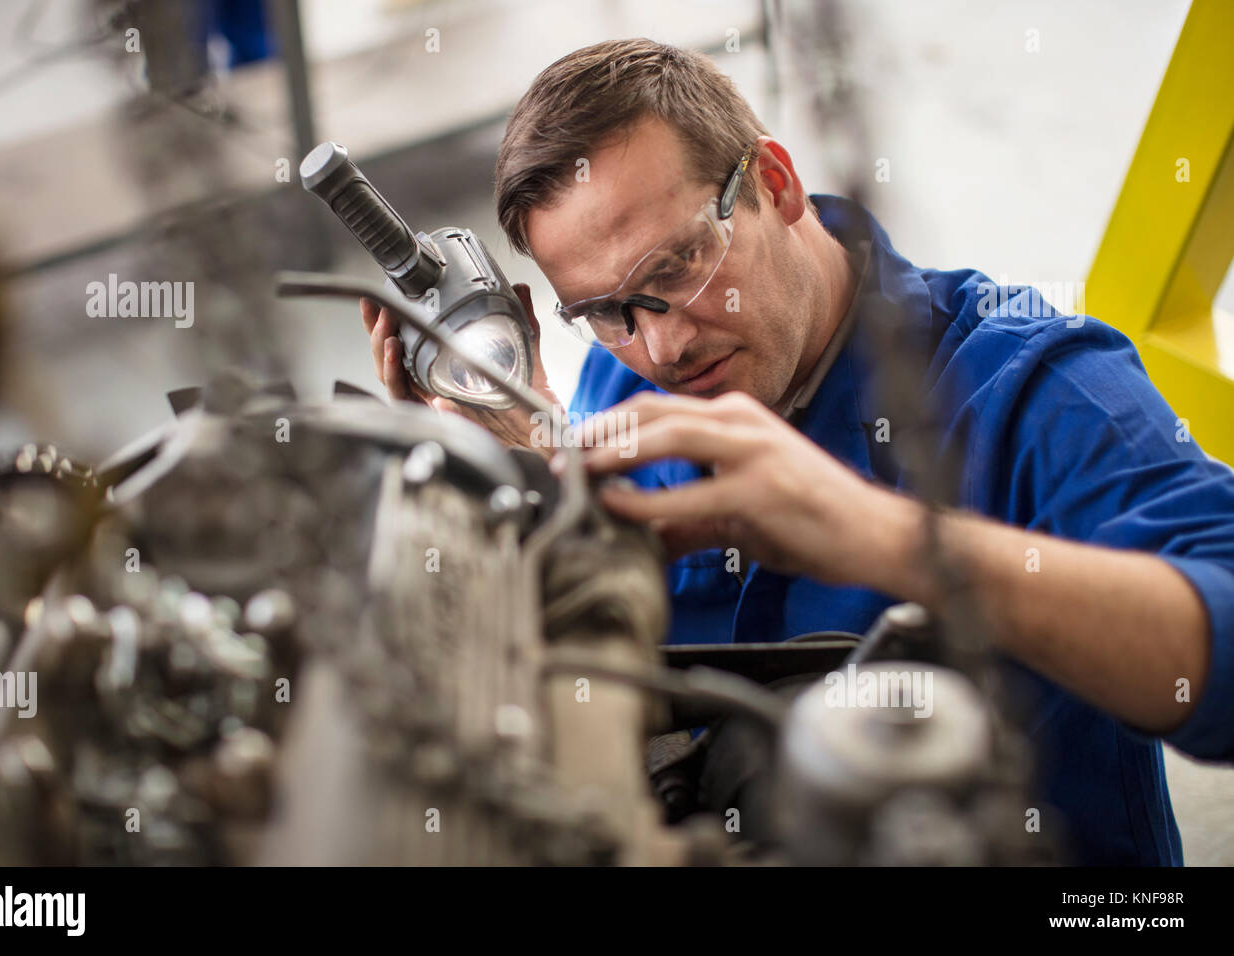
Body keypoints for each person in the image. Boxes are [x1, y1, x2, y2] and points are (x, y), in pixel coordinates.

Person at [363, 38, 1234, 865]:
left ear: (775, 184)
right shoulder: (621, 391)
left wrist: (881, 535)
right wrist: (531, 460)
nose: (661, 348)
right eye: (604, 312)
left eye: (677, 269)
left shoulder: (1037, 389)